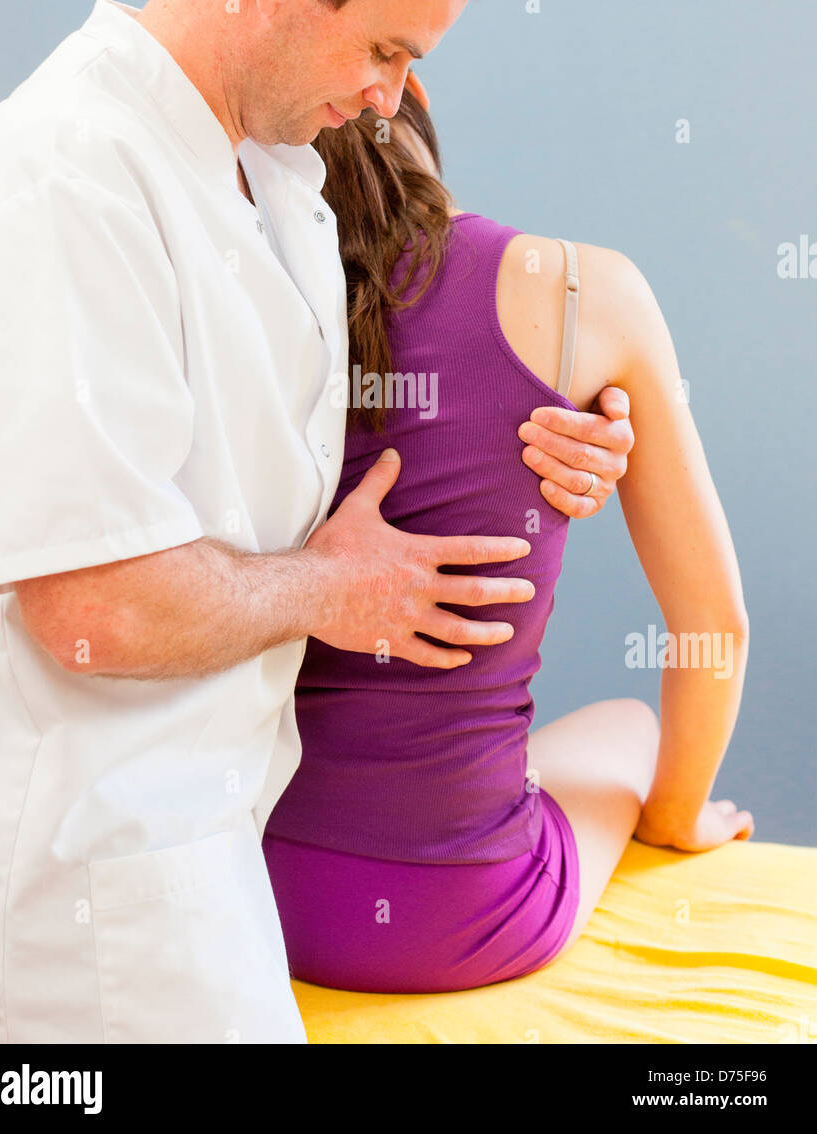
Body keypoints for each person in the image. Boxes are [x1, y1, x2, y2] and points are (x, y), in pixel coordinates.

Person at [0, 0, 632, 1043]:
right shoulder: (61, 181)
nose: (390, 99)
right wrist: (331, 593)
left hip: (213, 853)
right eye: (386, 50)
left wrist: (551, 443)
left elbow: (282, 453)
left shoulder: (270, 180)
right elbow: (89, 605)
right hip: (96, 917)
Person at [262, 81, 755, 994]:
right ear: (410, 85)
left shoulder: (242, 307)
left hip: (260, 893)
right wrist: (676, 819)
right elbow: (713, 628)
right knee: (626, 724)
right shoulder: (584, 293)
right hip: (465, 914)